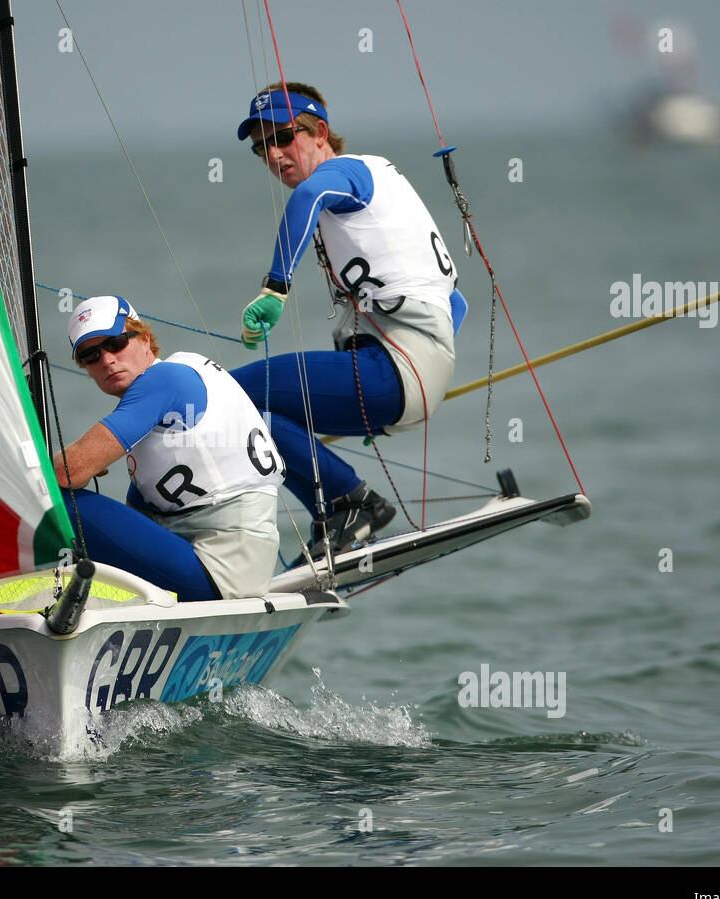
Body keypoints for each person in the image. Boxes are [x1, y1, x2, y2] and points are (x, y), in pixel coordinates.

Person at [231, 82, 461, 561]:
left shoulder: (348, 174)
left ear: (321, 132)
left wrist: (275, 288)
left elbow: (310, 195)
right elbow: (455, 304)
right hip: (406, 376)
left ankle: (351, 505)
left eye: (283, 137)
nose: (273, 155)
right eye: (261, 148)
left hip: (394, 372)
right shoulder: (380, 188)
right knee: (262, 419)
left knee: (224, 398)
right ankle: (338, 511)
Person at [53, 295, 285, 601]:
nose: (107, 360)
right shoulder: (166, 400)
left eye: (116, 343)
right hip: (233, 568)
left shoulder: (163, 380)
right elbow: (138, 519)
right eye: (91, 355)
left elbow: (64, 473)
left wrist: (79, 463)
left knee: (53, 504)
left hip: (219, 568)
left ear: (145, 338)